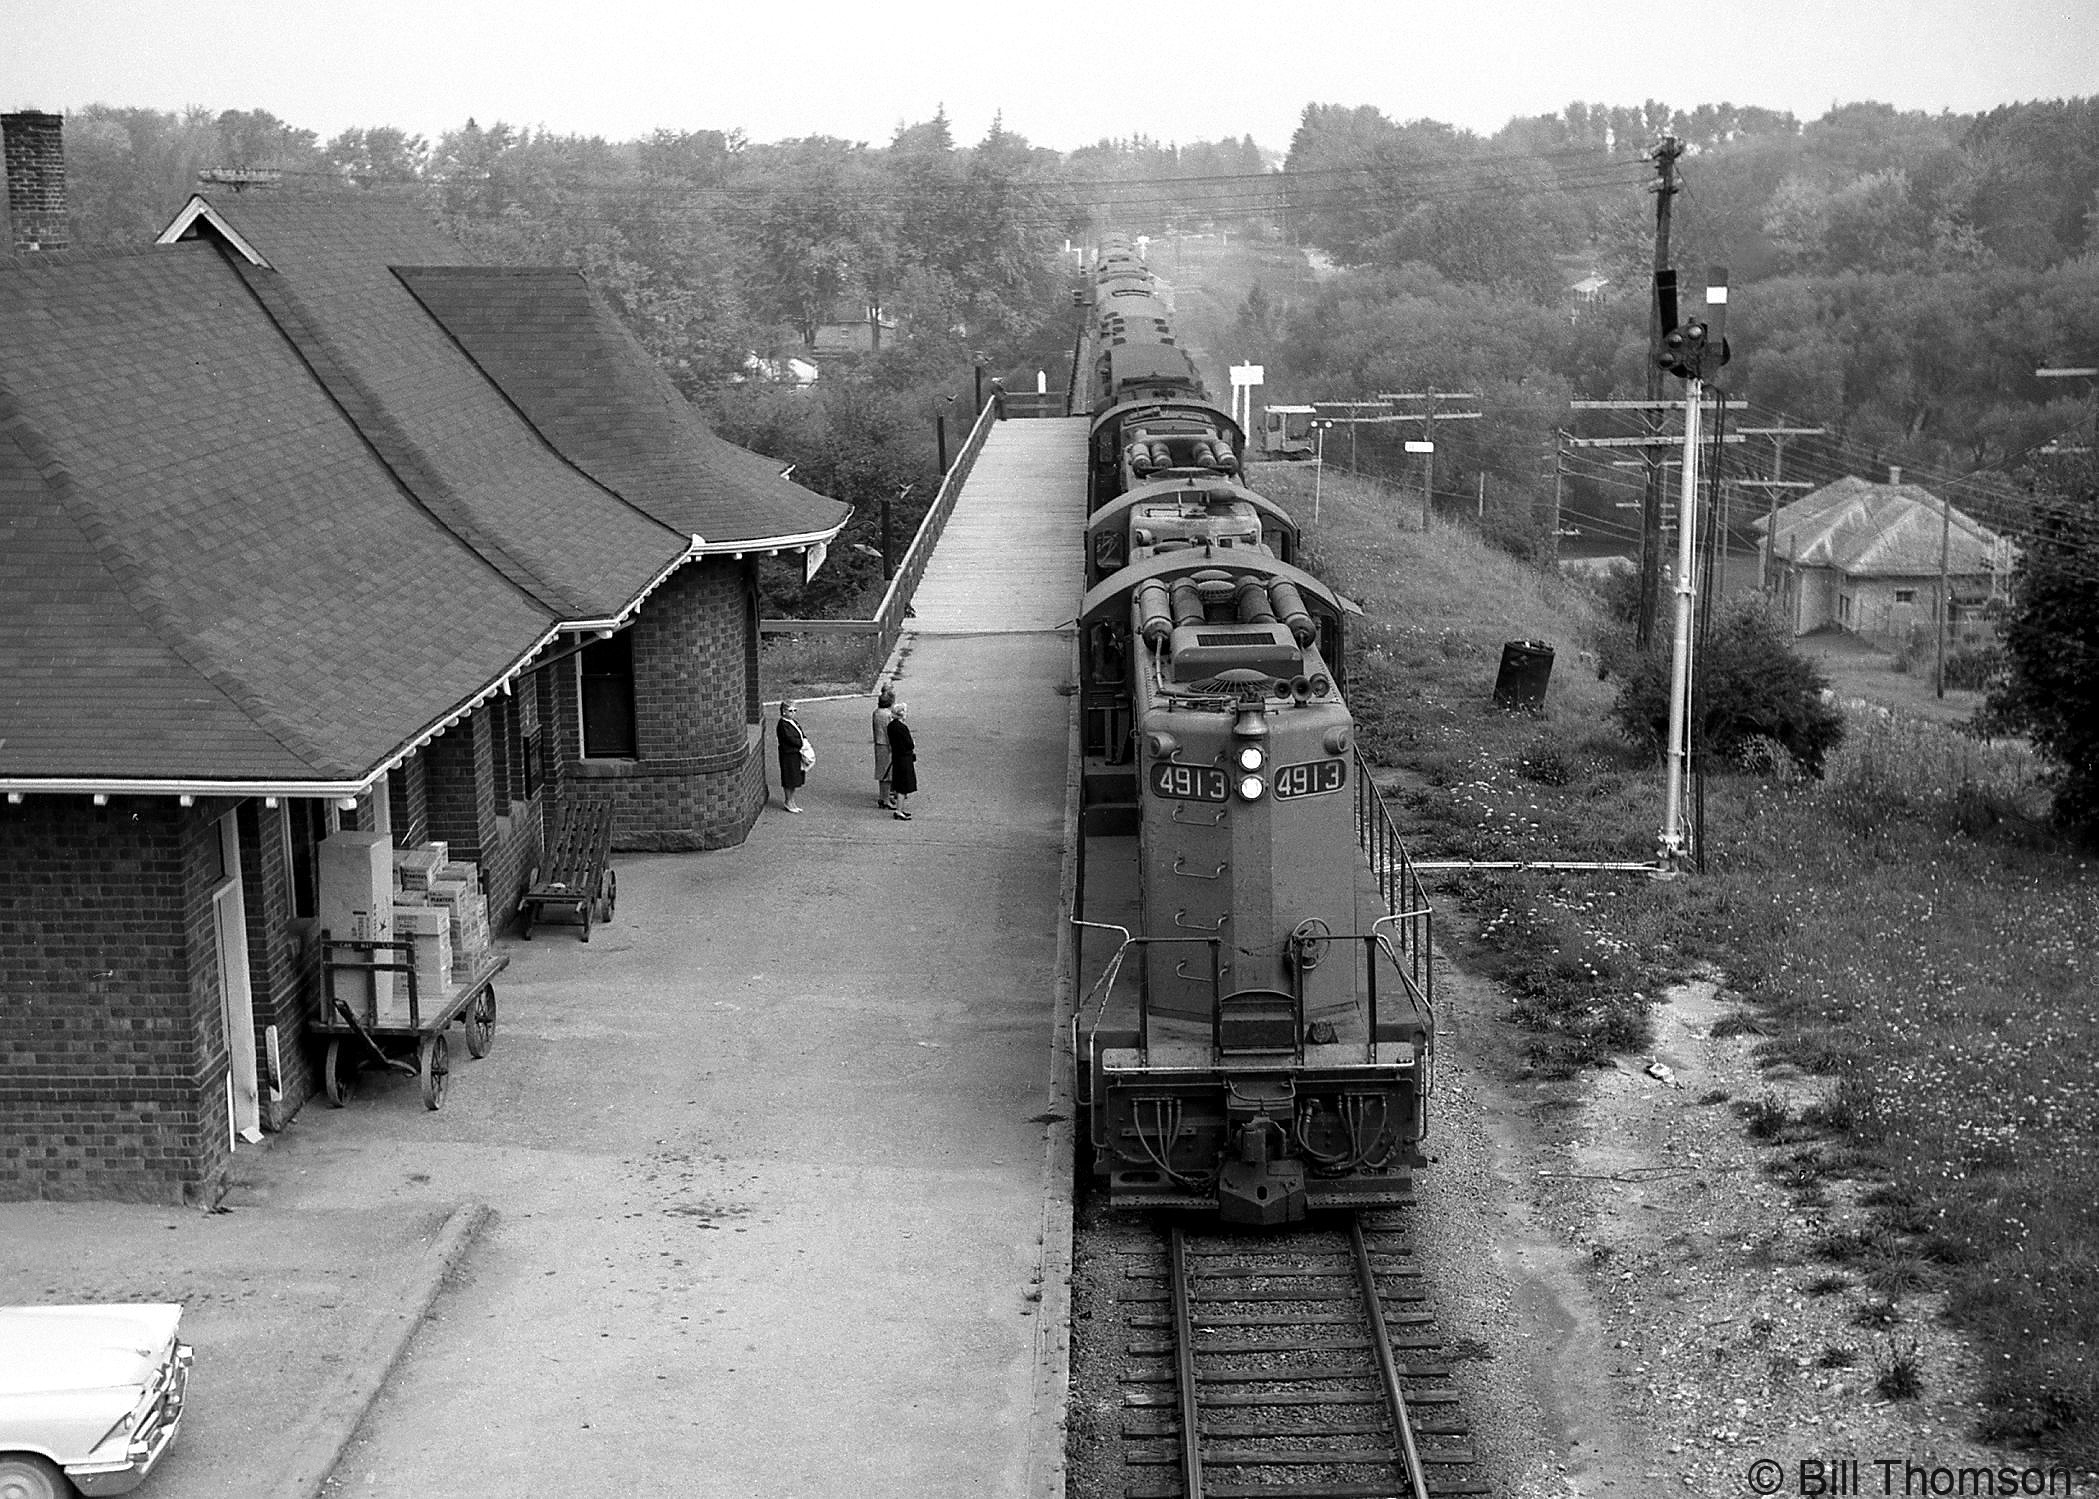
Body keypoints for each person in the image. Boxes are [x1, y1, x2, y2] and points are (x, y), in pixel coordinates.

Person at [886, 702, 917, 820]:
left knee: (899, 783)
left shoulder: (891, 726)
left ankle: (900, 809)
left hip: (897, 756)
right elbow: (909, 744)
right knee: (903, 785)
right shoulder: (902, 728)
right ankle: (899, 811)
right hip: (904, 758)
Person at [776, 701, 807, 813]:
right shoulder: (783, 725)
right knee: (789, 778)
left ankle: (792, 800)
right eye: (790, 710)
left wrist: (803, 740)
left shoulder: (793, 722)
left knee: (794, 778)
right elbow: (791, 739)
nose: (793, 713)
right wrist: (801, 743)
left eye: (795, 710)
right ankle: (788, 801)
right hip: (788, 755)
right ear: (783, 711)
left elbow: (801, 734)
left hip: (795, 754)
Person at [872, 686, 896, 809]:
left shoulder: (876, 713)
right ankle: (886, 799)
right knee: (888, 773)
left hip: (878, 743)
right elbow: (890, 732)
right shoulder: (887, 715)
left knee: (882, 772)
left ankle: (883, 796)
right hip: (886, 745)